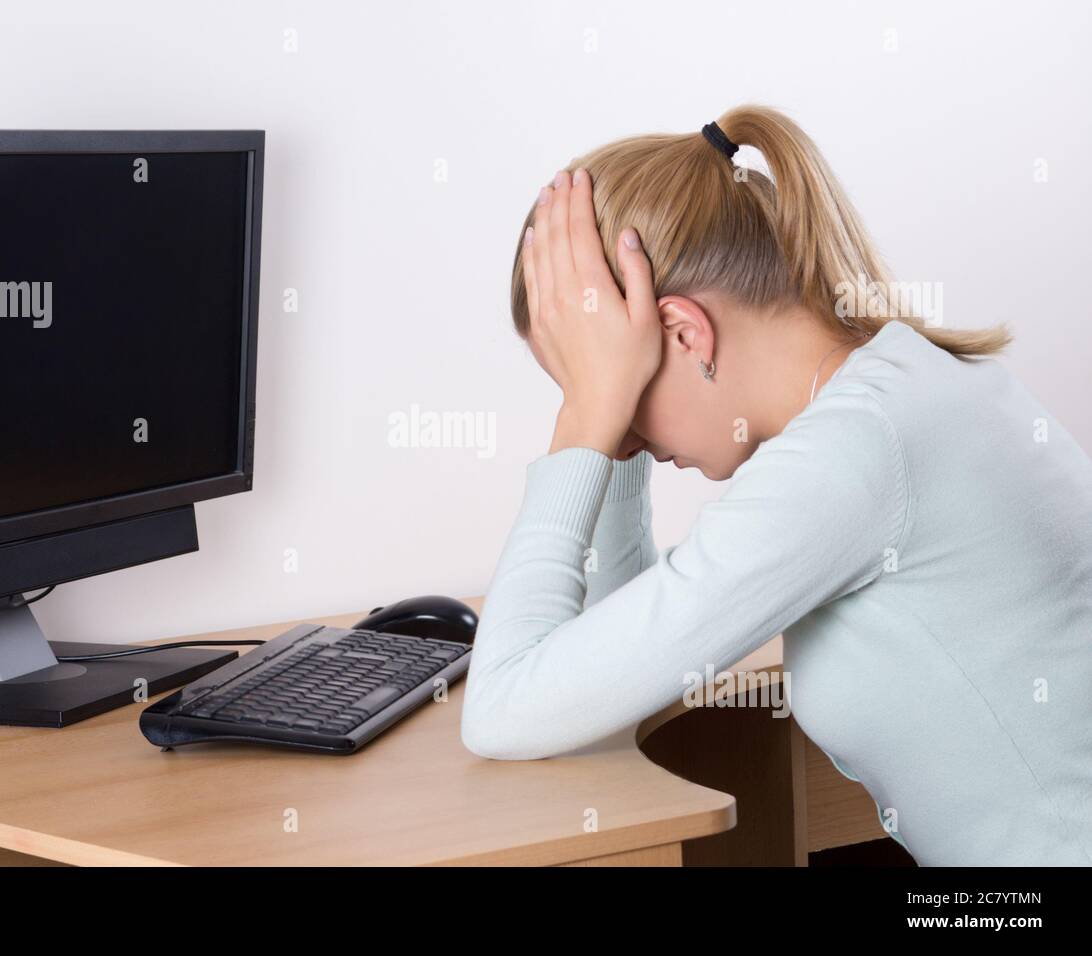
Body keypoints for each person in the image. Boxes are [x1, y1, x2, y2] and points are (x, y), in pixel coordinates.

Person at [460, 106, 1092, 866]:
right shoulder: (898, 389)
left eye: (593, 378)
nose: (621, 432)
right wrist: (610, 423)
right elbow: (606, 664)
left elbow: (499, 709)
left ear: (686, 331)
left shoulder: (851, 457)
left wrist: (589, 418)